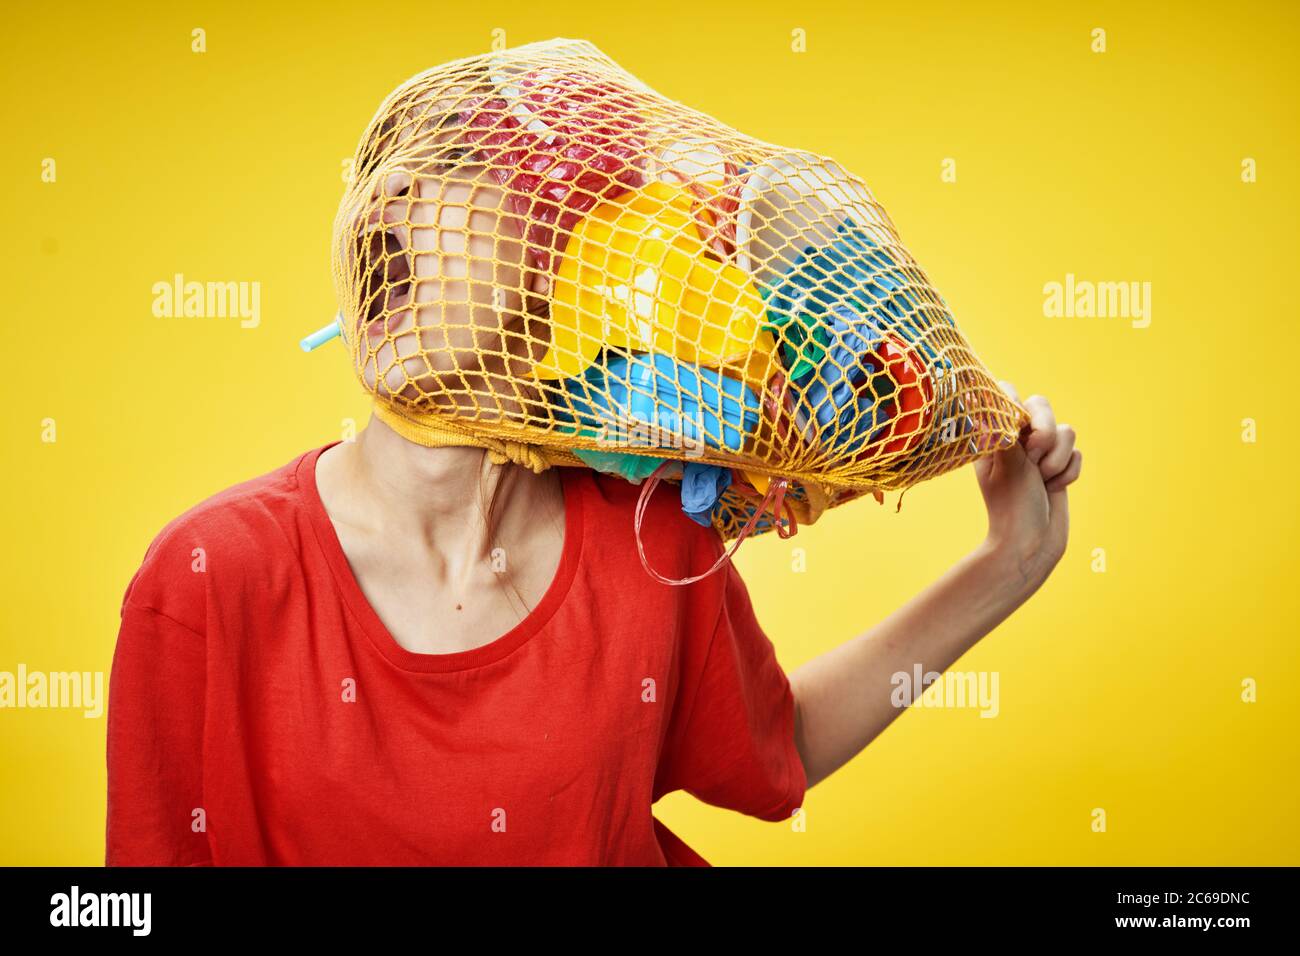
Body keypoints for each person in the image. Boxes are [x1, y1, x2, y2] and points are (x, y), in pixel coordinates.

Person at [106, 74, 1083, 868]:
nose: (387, 191)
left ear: (559, 259)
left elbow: (772, 749)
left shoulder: (648, 537)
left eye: (450, 167)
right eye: (380, 175)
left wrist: (1010, 560)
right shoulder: (209, 572)